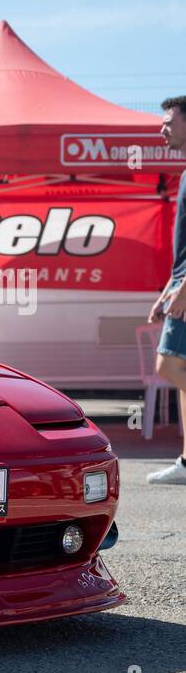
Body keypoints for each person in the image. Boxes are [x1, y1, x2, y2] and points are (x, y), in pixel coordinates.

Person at [146, 97, 186, 484]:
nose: (163, 128)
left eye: (169, 122)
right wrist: (168, 289)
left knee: (169, 366)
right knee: (181, 368)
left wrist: (184, 286)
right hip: (180, 283)